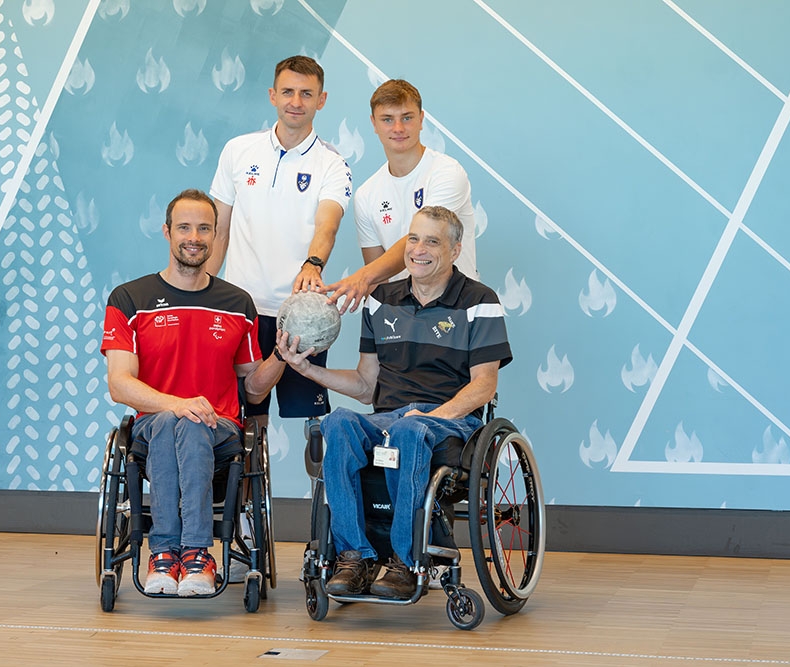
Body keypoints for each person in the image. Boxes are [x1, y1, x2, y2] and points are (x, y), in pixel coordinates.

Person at [277, 206, 512, 599]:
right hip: (389, 418)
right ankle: (355, 557)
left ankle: (406, 560)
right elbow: (367, 386)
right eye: (414, 239)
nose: (418, 249)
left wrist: (430, 415)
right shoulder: (381, 300)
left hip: (451, 422)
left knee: (409, 427)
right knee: (336, 423)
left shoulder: (479, 300)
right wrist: (306, 370)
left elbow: (483, 387)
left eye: (432, 241)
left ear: (455, 250)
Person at [101, 189, 285, 596]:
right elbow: (119, 384)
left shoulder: (238, 303)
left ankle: (167, 554)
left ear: (216, 236)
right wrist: (178, 404)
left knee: (191, 424)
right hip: (153, 430)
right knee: (174, 421)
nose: (194, 237)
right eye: (185, 227)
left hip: (220, 433)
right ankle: (194, 555)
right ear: (167, 232)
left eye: (204, 228)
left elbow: (253, 388)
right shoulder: (130, 299)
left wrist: (284, 355)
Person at [208, 55, 352, 424]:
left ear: (321, 100)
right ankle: (248, 486)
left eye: (307, 93)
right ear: (273, 95)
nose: (296, 101)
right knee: (245, 418)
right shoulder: (238, 151)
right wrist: (204, 294)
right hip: (243, 310)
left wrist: (313, 263)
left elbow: (328, 225)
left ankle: (321, 485)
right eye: (287, 91)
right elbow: (218, 229)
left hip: (302, 314)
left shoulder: (333, 164)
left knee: (314, 424)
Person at [327, 79, 478, 314]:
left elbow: (424, 241)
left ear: (421, 119)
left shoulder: (447, 172)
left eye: (407, 117)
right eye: (387, 119)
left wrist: (361, 277)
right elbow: (378, 278)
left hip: (458, 308)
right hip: (406, 317)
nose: (398, 128)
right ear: (373, 124)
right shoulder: (366, 195)